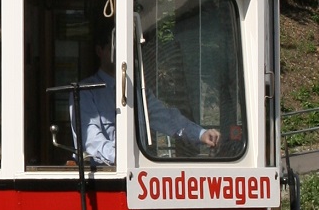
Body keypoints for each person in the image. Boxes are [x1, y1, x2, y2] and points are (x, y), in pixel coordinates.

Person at [77, 31, 220, 167]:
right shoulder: (85, 92)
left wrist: (201, 134)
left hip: (140, 169)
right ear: (99, 51)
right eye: (113, 49)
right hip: (104, 178)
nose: (120, 54)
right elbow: (92, 141)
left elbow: (167, 118)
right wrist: (122, 157)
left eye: (123, 48)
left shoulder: (137, 91)